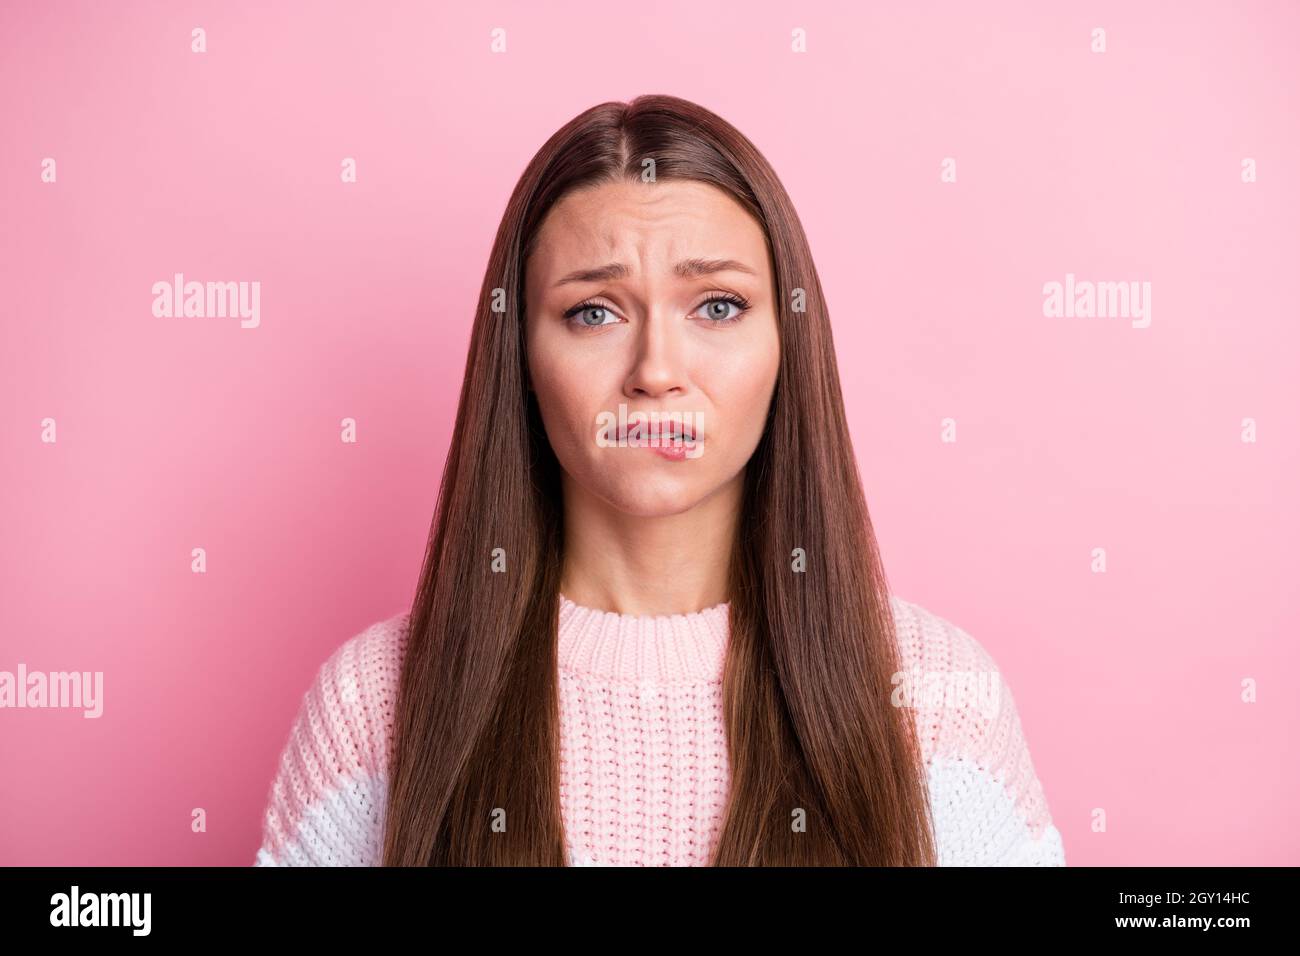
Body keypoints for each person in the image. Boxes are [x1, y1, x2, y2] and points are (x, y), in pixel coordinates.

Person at [253, 94, 1065, 867]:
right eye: (594, 312)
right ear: (523, 361)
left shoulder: (937, 698)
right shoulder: (373, 703)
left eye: (716, 306)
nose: (656, 371)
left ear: (787, 345)